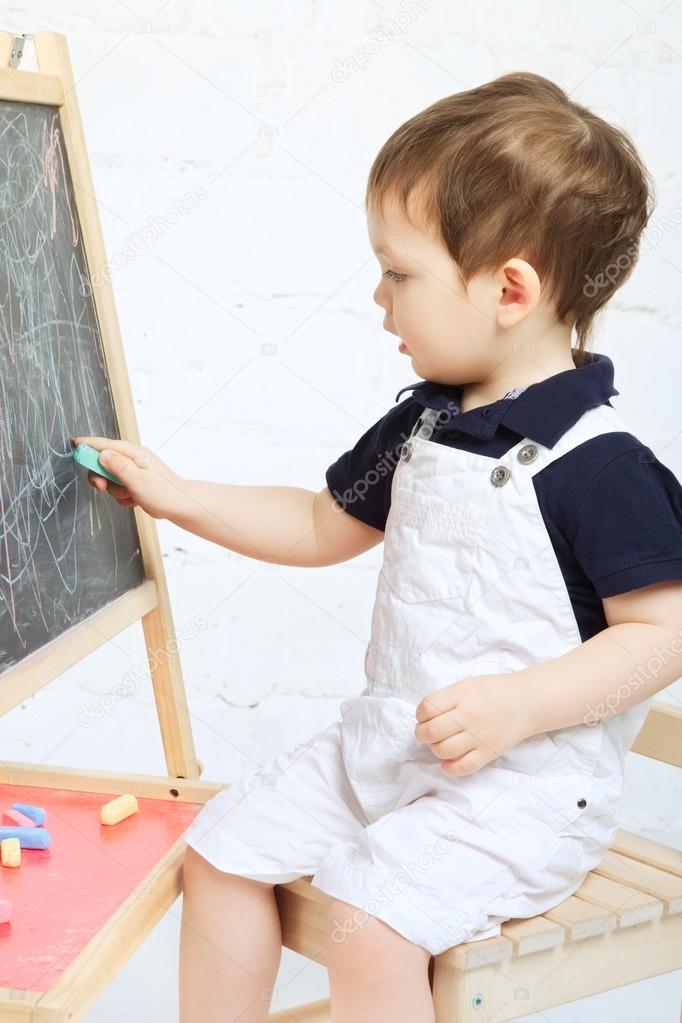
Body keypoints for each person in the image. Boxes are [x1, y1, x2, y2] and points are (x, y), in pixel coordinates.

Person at [75, 71, 682, 1023]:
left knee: (367, 919)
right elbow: (321, 523)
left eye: (400, 272)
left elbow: (662, 636)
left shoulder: (598, 465)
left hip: (521, 791)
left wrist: (520, 705)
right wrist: (178, 498)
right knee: (222, 850)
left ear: (509, 288)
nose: (379, 296)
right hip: (390, 752)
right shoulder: (424, 428)